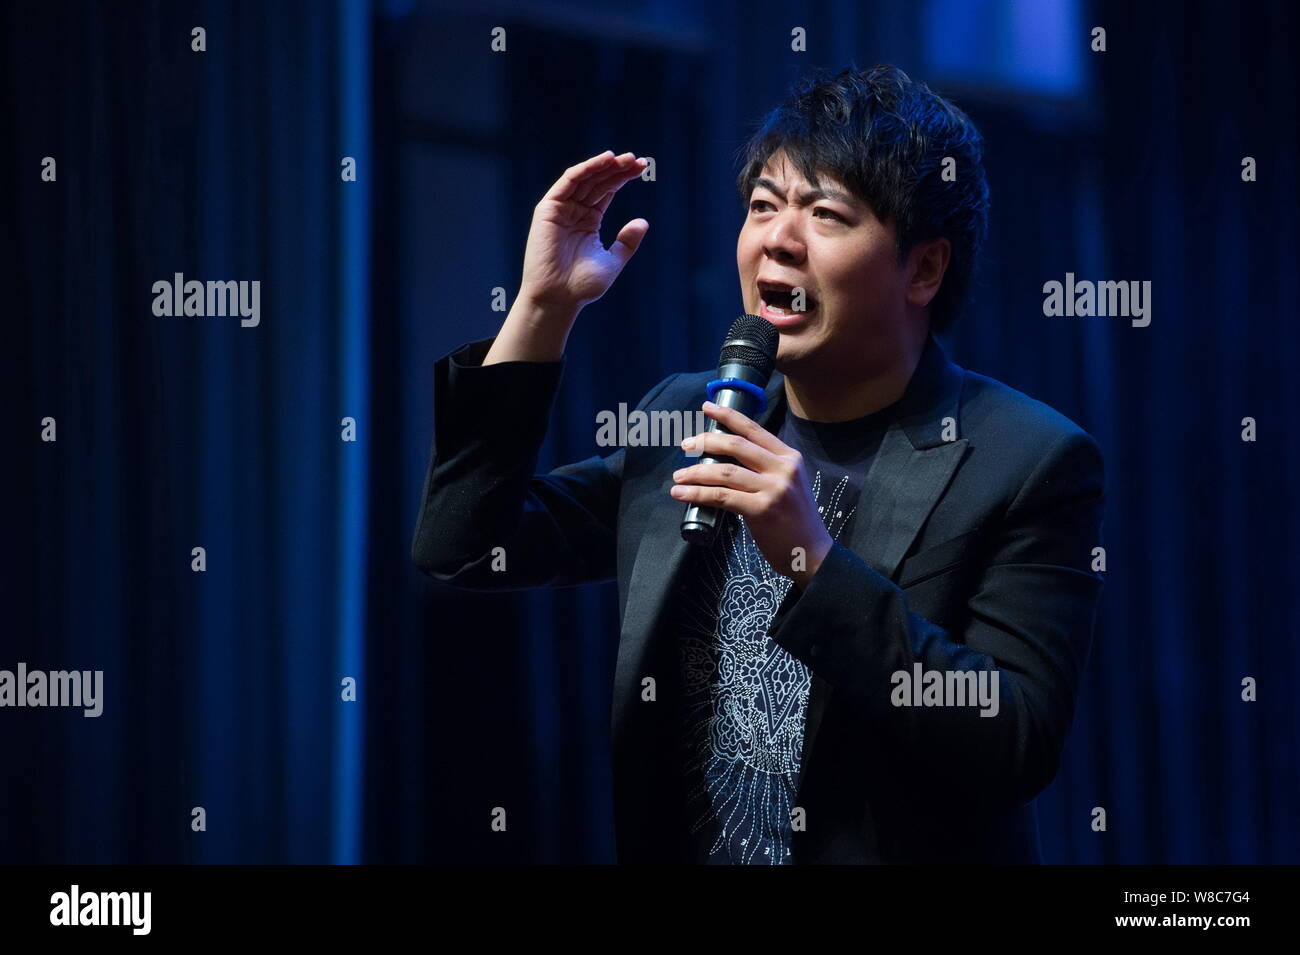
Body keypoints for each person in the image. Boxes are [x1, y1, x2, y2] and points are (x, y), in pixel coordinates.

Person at [411, 65, 1105, 864]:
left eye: (827, 213)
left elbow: (1015, 740)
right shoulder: (692, 415)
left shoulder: (1026, 458)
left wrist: (814, 560)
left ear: (923, 268)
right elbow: (461, 547)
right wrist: (542, 306)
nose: (777, 236)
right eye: (764, 205)